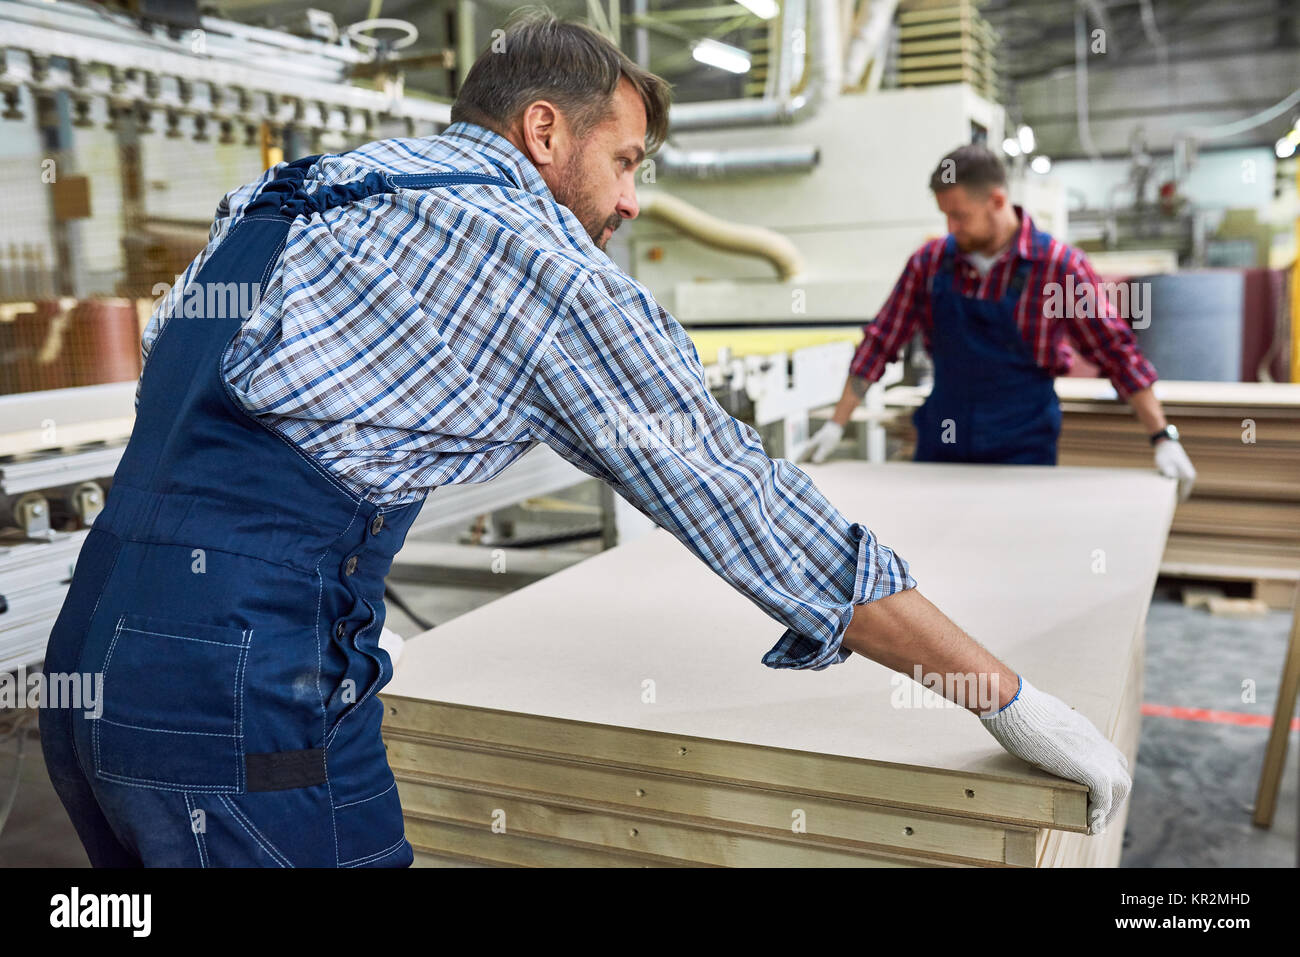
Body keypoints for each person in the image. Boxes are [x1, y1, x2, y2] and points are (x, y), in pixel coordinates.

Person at [40, 9, 1130, 867]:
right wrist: (1004, 695)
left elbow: (222, 415)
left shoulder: (301, 190)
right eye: (629, 162)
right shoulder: (533, 264)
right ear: (544, 131)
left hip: (99, 657)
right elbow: (750, 507)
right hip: (238, 688)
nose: (634, 202)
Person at [801, 144, 1197, 500]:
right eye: (945, 217)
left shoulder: (1057, 268)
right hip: (944, 440)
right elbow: (880, 343)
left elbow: (1115, 353)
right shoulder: (930, 263)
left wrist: (1162, 437)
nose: (950, 229)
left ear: (997, 199)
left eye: (960, 216)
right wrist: (838, 424)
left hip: (1022, 448)